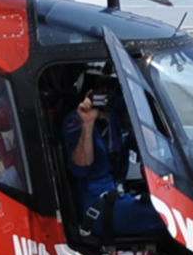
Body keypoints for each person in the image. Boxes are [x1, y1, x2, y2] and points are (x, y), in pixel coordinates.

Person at [62, 82, 165, 242]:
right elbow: (80, 168)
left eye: (110, 89)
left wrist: (138, 114)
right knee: (167, 218)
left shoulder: (118, 116)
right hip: (98, 206)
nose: (105, 94)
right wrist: (87, 124)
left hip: (121, 197)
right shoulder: (76, 120)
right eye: (99, 91)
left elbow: (152, 154)